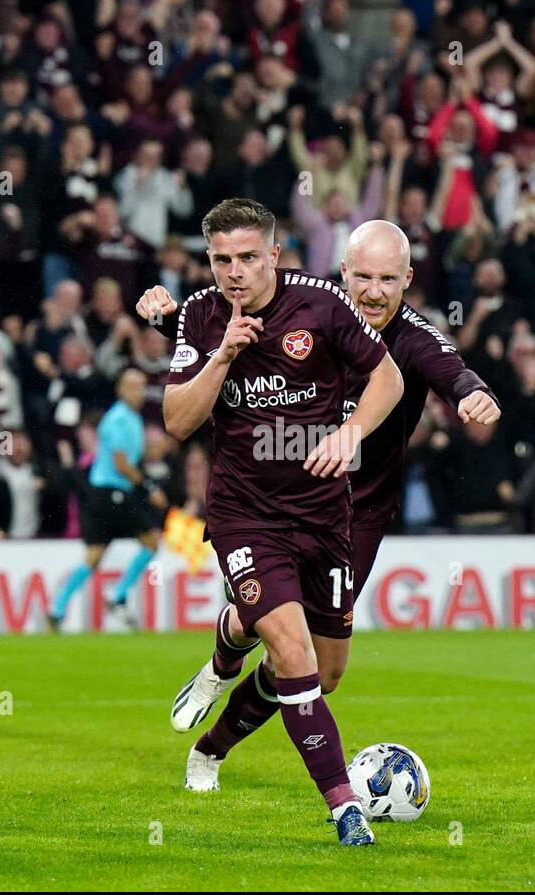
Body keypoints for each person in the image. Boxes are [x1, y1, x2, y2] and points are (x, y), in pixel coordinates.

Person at [156, 219, 499, 760]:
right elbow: (230, 327)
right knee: (285, 638)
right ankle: (220, 697)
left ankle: (212, 739)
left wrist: (471, 392)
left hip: (356, 515)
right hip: (273, 504)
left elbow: (448, 367)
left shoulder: (411, 336)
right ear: (343, 272)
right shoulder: (315, 309)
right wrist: (169, 317)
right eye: (362, 276)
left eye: (388, 278)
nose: (373, 291)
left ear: (408, 279)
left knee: (327, 671)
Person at [158, 197, 403, 845]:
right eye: (220, 260)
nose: (233, 272)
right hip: (246, 516)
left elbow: (389, 379)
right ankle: (345, 807)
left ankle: (213, 728)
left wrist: (350, 434)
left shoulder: (322, 302)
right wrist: (222, 358)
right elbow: (178, 421)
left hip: (325, 517)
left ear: (273, 254)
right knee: (291, 652)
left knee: (325, 673)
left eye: (246, 258)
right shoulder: (203, 316)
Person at [47, 368, 160, 630]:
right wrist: (149, 486)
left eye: (142, 386)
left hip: (99, 495)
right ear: (119, 389)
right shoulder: (120, 419)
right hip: (112, 492)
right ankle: (117, 596)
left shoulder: (130, 418)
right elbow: (121, 464)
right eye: (132, 386)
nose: (139, 391)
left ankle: (57, 608)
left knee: (95, 554)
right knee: (151, 542)